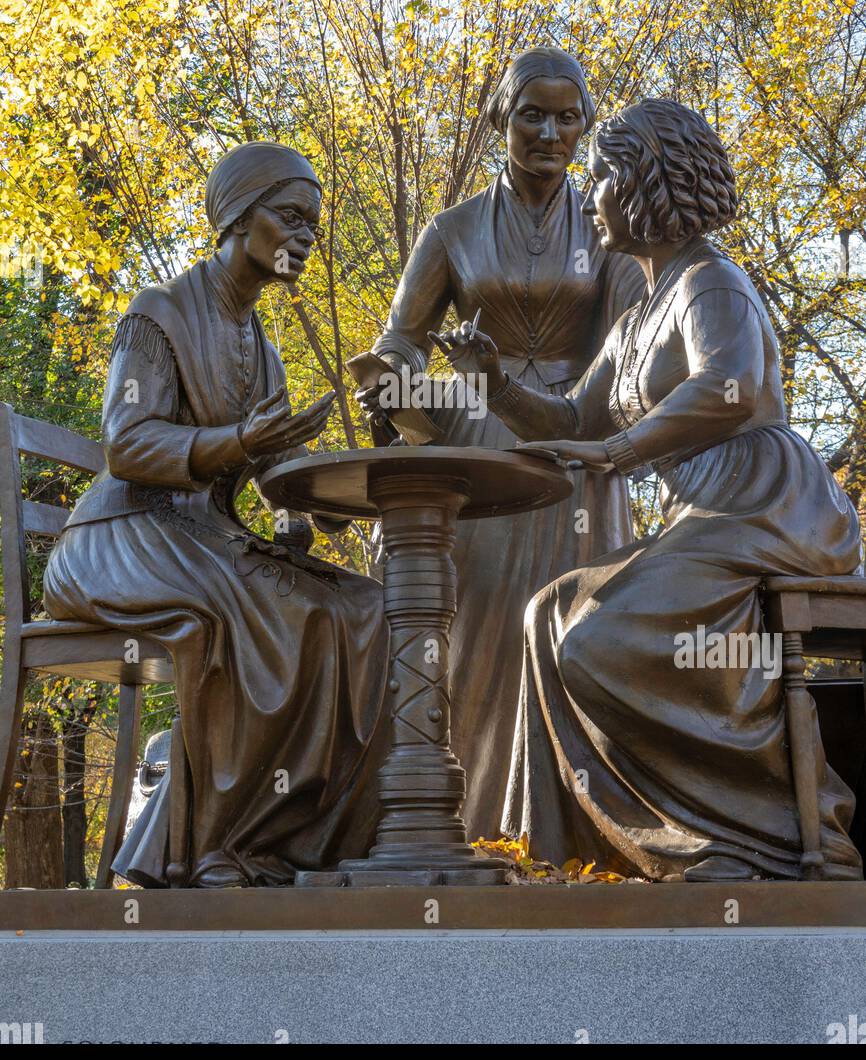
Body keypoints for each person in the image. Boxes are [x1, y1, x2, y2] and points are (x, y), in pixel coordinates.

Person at [433, 98, 863, 880]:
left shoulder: (712, 283)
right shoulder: (637, 319)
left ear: (642, 184)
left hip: (764, 503)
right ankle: (580, 848)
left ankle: (748, 833)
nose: (587, 194)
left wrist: (619, 451)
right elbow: (571, 413)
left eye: (599, 176)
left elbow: (729, 387)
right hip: (706, 512)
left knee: (601, 637)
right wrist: (490, 383)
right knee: (545, 615)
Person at [44, 142, 389, 887]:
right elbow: (128, 442)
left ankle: (301, 839)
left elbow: (272, 477)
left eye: (312, 226)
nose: (303, 237)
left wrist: (335, 495)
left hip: (201, 539)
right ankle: (210, 849)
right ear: (238, 215)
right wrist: (235, 440)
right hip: (121, 536)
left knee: (363, 607)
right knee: (260, 612)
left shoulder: (263, 348)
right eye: (291, 217)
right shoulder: (158, 314)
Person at [357, 47, 644, 839]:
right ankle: (463, 822)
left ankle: (571, 829)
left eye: (567, 116)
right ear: (500, 119)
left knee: (569, 629)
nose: (550, 131)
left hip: (572, 445)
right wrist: (387, 375)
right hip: (475, 441)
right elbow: (402, 339)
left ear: (584, 126)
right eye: (531, 113)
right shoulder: (450, 231)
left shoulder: (608, 225)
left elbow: (633, 334)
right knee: (472, 627)